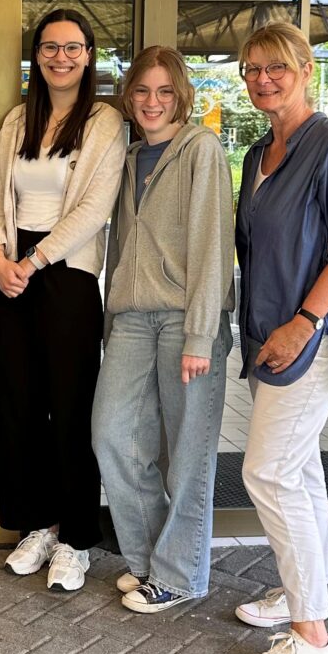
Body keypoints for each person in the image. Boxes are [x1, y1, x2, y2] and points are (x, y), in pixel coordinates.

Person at [233, 21, 328, 654]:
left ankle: (312, 634)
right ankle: (301, 591)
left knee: (268, 472)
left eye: (275, 67)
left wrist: (303, 322)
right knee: (300, 469)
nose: (263, 79)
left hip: (308, 337)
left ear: (305, 68)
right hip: (267, 337)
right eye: (251, 70)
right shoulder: (259, 151)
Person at [0, 8, 125, 592]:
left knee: (70, 407)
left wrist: (33, 260)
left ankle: (75, 538)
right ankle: (38, 524)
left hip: (65, 273)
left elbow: (95, 208)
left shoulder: (104, 122)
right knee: (20, 403)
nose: (60, 57)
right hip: (11, 272)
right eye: (49, 47)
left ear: (88, 56)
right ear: (36, 55)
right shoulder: (18, 120)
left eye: (72, 48)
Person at [92, 46, 234, 611]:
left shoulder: (201, 150)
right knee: (112, 436)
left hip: (184, 321)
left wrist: (200, 335)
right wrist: (110, 317)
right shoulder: (129, 159)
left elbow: (212, 247)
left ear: (181, 95)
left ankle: (178, 576)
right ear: (130, 97)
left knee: (188, 454)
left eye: (165, 92)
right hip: (131, 321)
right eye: (143, 91)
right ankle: (152, 560)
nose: (152, 102)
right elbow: (122, 249)